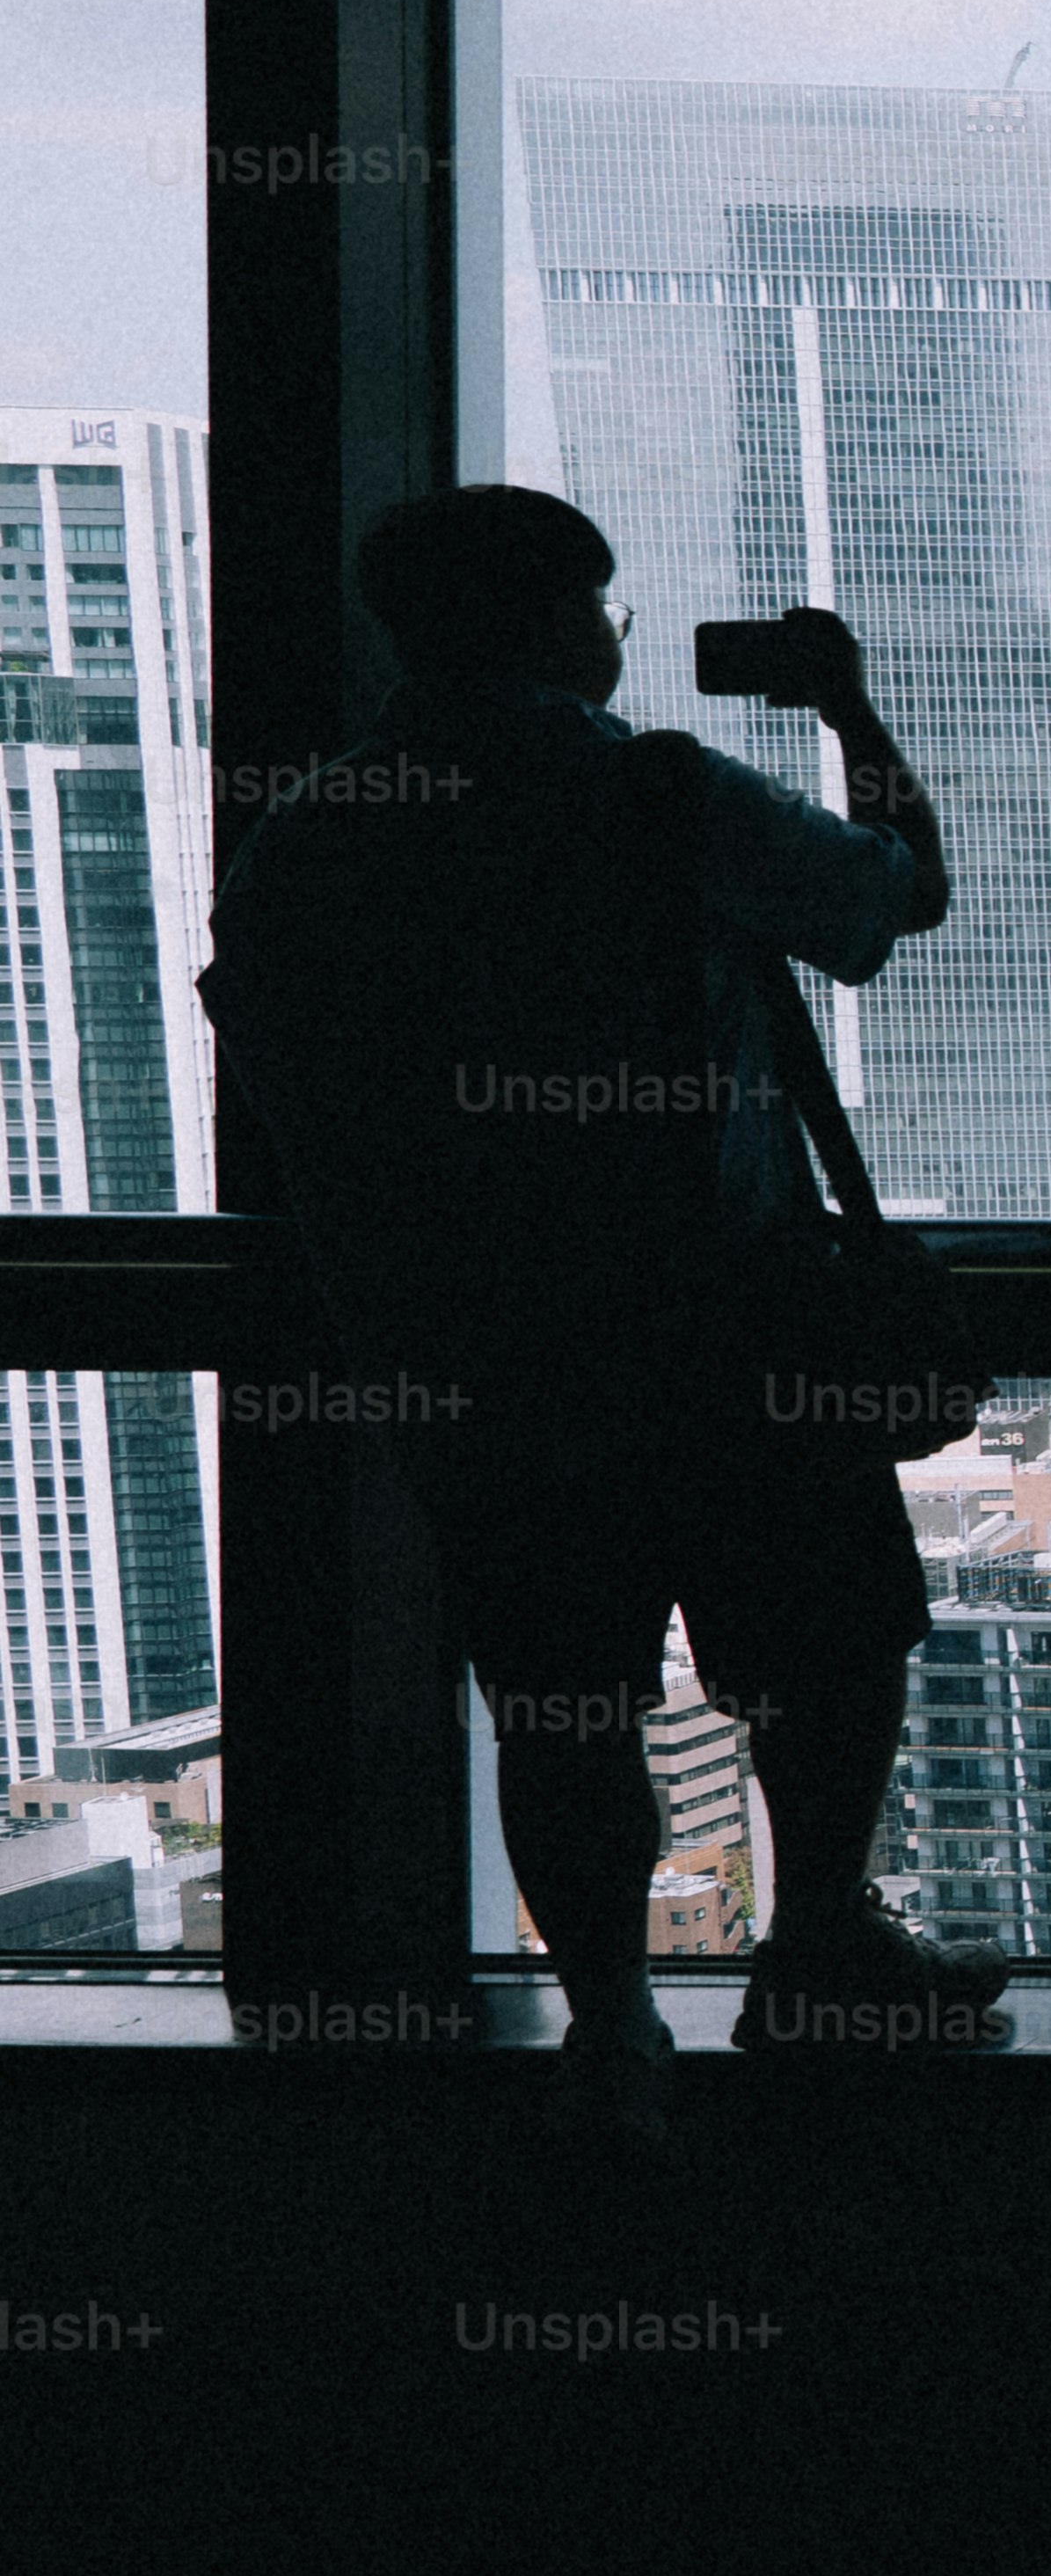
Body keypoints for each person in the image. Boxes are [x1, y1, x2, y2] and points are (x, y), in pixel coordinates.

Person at [202, 485, 1000, 2154]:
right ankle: (818, 1953)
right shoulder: (652, 791)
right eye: (608, 610)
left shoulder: (319, 833)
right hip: (728, 1327)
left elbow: (282, 1076)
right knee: (825, 1652)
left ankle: (617, 2031)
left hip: (480, 1349)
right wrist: (849, 708)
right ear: (566, 623)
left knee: (562, 1700)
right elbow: (900, 899)